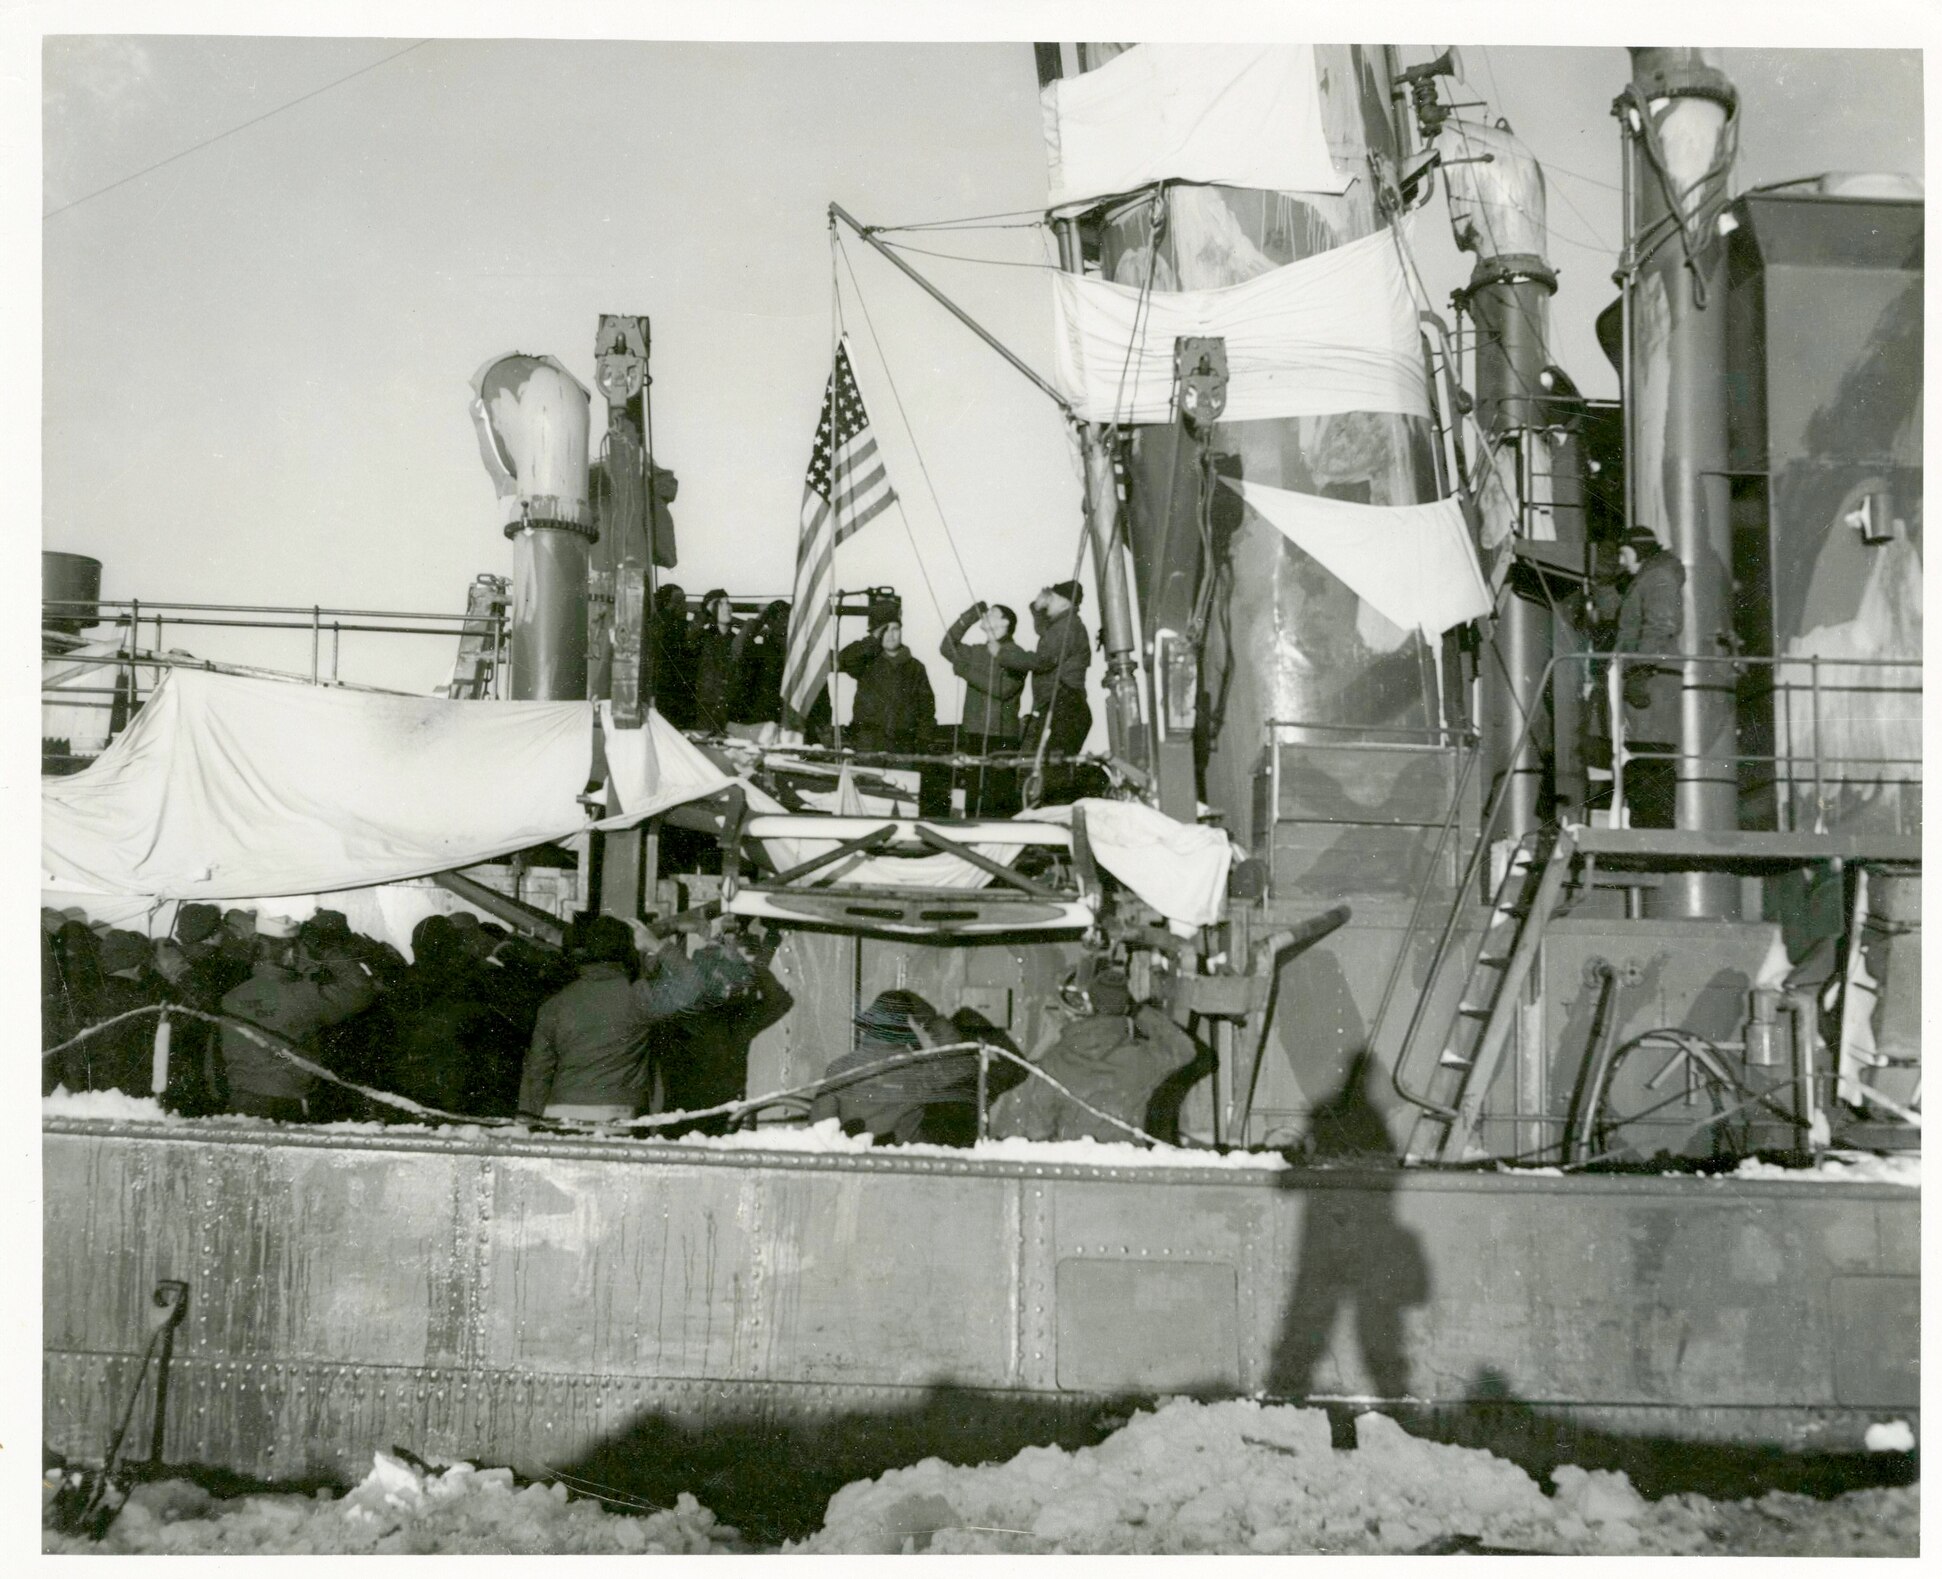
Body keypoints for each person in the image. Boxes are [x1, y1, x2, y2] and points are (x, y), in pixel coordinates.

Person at [517, 916, 756, 1123]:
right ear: (629, 951)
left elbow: (538, 1070)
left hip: (560, 1112)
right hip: (617, 1113)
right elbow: (694, 985)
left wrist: (530, 1118)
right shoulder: (638, 996)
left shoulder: (554, 1005)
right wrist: (657, 946)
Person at [988, 965, 1199, 1145]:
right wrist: (1136, 1010)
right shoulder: (1140, 1059)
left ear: (1087, 1005)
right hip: (1126, 1168)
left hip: (1074, 1169)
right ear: (1123, 1006)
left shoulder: (1055, 1060)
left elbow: (1035, 1130)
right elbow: (1184, 1049)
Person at [217, 916, 377, 1121]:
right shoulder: (303, 995)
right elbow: (360, 989)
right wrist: (326, 949)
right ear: (290, 953)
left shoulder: (230, 998)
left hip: (240, 1102)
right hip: (287, 1105)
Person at [809, 989, 980, 1145]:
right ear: (905, 1030)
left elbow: (819, 1130)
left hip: (855, 1164)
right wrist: (931, 1020)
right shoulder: (921, 1070)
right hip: (905, 1164)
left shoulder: (839, 1068)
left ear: (868, 1026)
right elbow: (965, 1065)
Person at [1611, 526, 1685, 829]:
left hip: (1653, 680)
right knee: (1644, 754)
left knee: (1652, 754)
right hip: (1649, 676)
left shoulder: (1658, 578)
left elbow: (1660, 625)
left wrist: (1641, 670)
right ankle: (1647, 825)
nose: (1620, 560)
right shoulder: (1650, 577)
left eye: (1624, 553)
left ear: (1638, 551)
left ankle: (1653, 828)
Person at [996, 579, 1093, 803]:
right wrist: (1037, 607)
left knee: (1052, 770)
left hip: (1064, 706)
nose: (1049, 601)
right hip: (1062, 705)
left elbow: (1043, 660)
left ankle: (1053, 813)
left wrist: (1002, 653)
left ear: (1065, 602)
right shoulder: (1062, 624)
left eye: (1053, 598)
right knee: (1048, 767)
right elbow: (1044, 630)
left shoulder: (1066, 628)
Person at [941, 601, 1027, 817]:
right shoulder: (976, 651)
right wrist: (969, 616)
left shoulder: (1016, 653)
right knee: (973, 794)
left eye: (993, 612)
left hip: (1002, 737)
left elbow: (1003, 689)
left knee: (998, 798)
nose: (986, 614)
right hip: (974, 733)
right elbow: (946, 647)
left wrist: (965, 672)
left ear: (1005, 623)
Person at [730, 599, 792, 727]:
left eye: (787, 618)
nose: (784, 623)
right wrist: (759, 620)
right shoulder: (761, 650)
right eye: (779, 618)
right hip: (763, 716)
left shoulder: (798, 651)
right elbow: (738, 648)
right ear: (770, 622)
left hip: (788, 716)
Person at [691, 589, 742, 734]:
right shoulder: (701, 637)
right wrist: (706, 612)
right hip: (706, 709)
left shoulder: (736, 640)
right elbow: (689, 642)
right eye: (720, 604)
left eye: (728, 603)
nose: (727, 607)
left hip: (732, 709)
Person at [649, 583, 696, 729]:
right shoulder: (673, 623)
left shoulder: (658, 621)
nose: (685, 606)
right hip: (669, 690)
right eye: (679, 601)